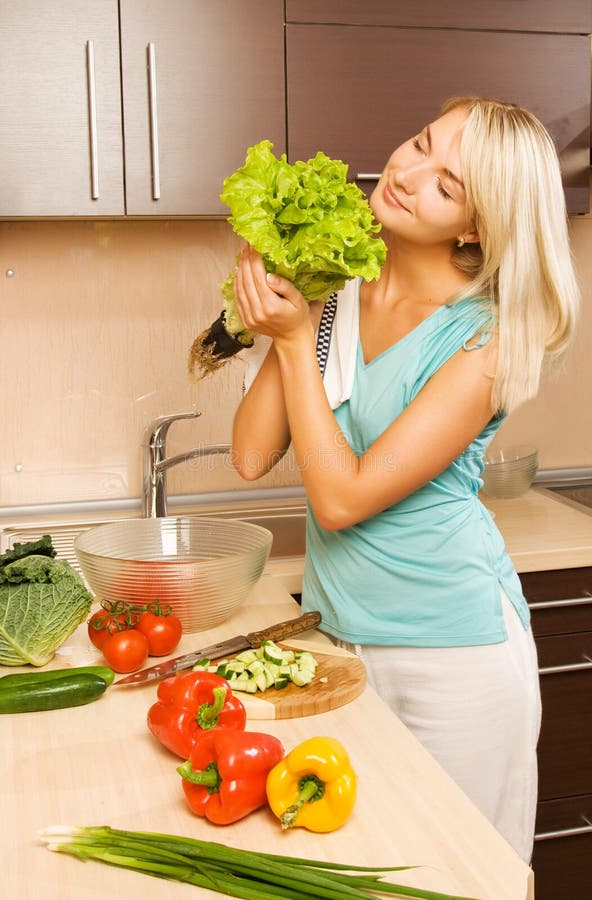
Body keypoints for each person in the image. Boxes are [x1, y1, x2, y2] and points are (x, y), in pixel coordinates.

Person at [230, 96, 580, 861]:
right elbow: (252, 455)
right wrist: (298, 307)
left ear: (476, 227)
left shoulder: (484, 333)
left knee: (457, 871)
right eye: (420, 142)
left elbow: (342, 498)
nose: (407, 173)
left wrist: (294, 347)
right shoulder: (339, 293)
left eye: (447, 184)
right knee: (359, 868)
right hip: (338, 646)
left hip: (455, 656)